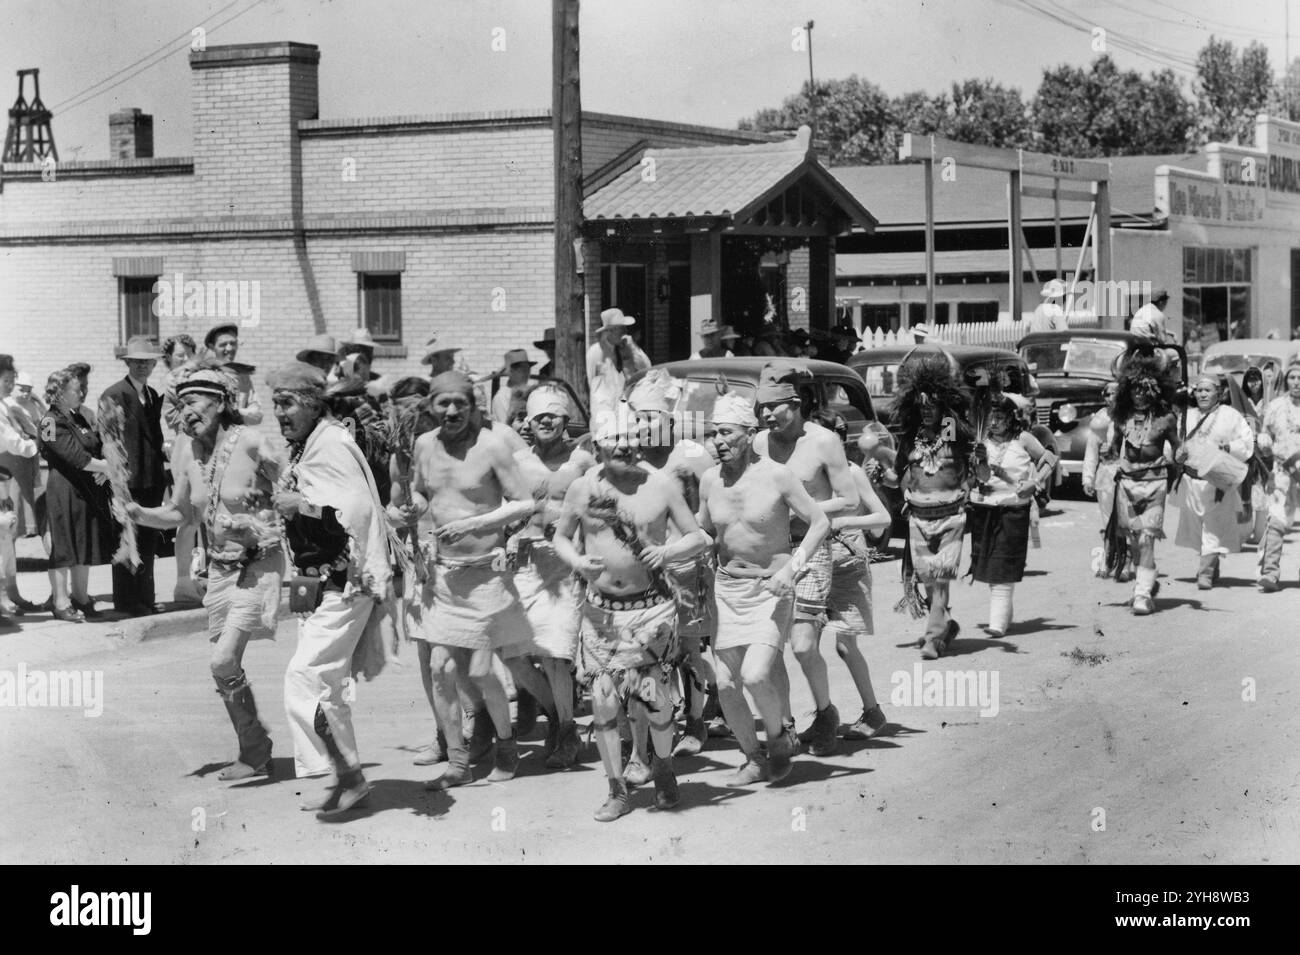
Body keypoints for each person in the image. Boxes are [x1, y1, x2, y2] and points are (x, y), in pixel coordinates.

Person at [127, 361, 286, 779]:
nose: (185, 411)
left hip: (258, 566)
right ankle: (255, 748)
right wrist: (138, 512)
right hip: (218, 572)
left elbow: (294, 491)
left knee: (221, 661)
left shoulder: (251, 441)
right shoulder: (190, 453)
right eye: (180, 404)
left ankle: (257, 747)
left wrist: (261, 519)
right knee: (225, 667)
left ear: (220, 402)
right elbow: (180, 514)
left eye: (193, 401)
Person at [552, 404, 709, 821]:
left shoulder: (661, 485)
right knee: (603, 703)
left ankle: (663, 769)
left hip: (650, 611)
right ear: (598, 445)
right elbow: (561, 537)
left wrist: (667, 550)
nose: (624, 446)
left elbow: (698, 537)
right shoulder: (582, 489)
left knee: (652, 698)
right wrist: (576, 562)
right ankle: (616, 789)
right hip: (600, 614)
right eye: (614, 440)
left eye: (630, 438)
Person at [394, 371, 535, 789]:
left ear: (473, 407)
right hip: (443, 576)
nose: (452, 411)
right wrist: (411, 509)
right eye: (443, 404)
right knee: (440, 667)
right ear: (431, 407)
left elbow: (524, 501)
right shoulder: (423, 445)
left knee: (479, 670)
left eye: (460, 403)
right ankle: (457, 762)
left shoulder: (492, 446)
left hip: (486, 577)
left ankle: (505, 744)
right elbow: (422, 492)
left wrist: (479, 521)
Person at [270, 361, 398, 817]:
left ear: (309, 404)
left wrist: (297, 504)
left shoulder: (330, 445)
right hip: (323, 583)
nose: (279, 414)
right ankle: (349, 780)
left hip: (348, 583)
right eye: (275, 405)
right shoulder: (312, 443)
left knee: (306, 677)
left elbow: (356, 511)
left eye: (286, 404)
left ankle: (349, 777)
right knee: (327, 683)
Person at [698, 391, 829, 784]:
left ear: (749, 433)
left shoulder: (777, 475)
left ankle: (778, 741)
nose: (718, 441)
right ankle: (753, 758)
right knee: (724, 683)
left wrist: (792, 569)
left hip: (770, 590)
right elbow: (706, 532)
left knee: (756, 675)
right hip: (727, 590)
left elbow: (820, 523)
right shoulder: (709, 480)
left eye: (725, 433)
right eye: (713, 434)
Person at [753, 362, 858, 757]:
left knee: (802, 644)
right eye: (760, 408)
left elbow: (849, 499)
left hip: (811, 549)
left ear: (795, 404)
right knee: (771, 645)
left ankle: (826, 712)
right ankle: (784, 725)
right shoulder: (760, 442)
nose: (764, 416)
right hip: (769, 554)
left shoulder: (825, 441)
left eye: (772, 409)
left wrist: (803, 507)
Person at [626, 370, 719, 761]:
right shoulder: (630, 455)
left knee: (689, 648)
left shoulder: (690, 454)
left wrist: (704, 542)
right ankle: (666, 719)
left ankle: (696, 721)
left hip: (686, 564)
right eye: (639, 417)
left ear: (670, 419)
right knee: (652, 650)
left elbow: (712, 501)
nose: (645, 425)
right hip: (644, 569)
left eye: (653, 417)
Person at [503, 386, 596, 769]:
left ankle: (568, 731)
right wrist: (509, 535)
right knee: (514, 655)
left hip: (565, 564)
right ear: (527, 420)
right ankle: (557, 714)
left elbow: (602, 507)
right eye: (539, 415)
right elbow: (504, 509)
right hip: (525, 564)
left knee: (557, 655)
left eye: (554, 414)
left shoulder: (582, 460)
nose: (546, 420)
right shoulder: (516, 462)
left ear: (565, 420)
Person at [882, 353, 974, 659]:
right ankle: (946, 626)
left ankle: (933, 637)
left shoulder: (951, 433)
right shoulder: (910, 439)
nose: (926, 411)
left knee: (940, 577)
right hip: (918, 521)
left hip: (950, 520)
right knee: (930, 581)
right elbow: (897, 478)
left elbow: (956, 444)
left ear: (943, 406)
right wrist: (881, 470)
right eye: (921, 406)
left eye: (932, 405)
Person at [814, 413, 891, 738]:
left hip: (847, 567)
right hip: (814, 568)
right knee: (805, 646)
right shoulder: (805, 474)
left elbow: (882, 518)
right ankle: (822, 716)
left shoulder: (853, 472)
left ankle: (873, 712)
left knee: (845, 647)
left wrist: (846, 522)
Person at [39, 368, 119, 623]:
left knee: (84, 542)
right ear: (60, 393)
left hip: (86, 487)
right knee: (64, 544)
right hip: (63, 488)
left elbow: (96, 448)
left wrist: (104, 471)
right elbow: (75, 456)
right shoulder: (50, 421)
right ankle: (61, 602)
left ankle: (81, 598)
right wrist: (107, 468)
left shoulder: (80, 419)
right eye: (77, 389)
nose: (83, 392)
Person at [967, 396, 1050, 636]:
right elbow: (978, 475)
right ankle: (1004, 613)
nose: (994, 422)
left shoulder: (1023, 439)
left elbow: (1049, 458)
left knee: (1003, 562)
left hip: (1014, 509)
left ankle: (997, 622)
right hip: (984, 509)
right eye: (990, 418)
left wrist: (1034, 482)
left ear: (1010, 418)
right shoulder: (980, 440)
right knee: (992, 564)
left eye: (999, 417)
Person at [1106, 352, 1180, 614]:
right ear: (1127, 390)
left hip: (1155, 483)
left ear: (1154, 389)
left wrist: (1183, 461)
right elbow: (1114, 447)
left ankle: (1142, 593)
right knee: (1135, 541)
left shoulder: (1166, 419)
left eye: (1144, 388)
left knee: (1147, 539)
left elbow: (1179, 449)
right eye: (1134, 388)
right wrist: (1109, 451)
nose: (1139, 394)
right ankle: (1144, 581)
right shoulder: (1121, 417)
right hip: (1127, 485)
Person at [100, 336, 167, 616]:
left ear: (154, 364)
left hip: (152, 479)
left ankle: (145, 598)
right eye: (137, 362)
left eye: (147, 362)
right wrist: (118, 481)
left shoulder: (151, 394)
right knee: (127, 537)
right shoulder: (114, 393)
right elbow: (109, 438)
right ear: (127, 363)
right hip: (127, 481)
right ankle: (127, 601)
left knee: (149, 540)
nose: (143, 366)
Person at [1173, 373, 1253, 590]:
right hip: (1191, 482)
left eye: (1207, 390)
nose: (1202, 394)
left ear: (1220, 392)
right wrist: (1176, 454)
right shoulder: (1186, 416)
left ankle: (1205, 572)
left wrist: (1228, 448)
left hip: (1217, 482)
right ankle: (1211, 564)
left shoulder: (1231, 415)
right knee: (1197, 529)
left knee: (1214, 526)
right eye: (1199, 390)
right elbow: (1173, 445)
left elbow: (1246, 442)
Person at [0, 356, 43, 612]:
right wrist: (36, 446)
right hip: (6, 471)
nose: (12, 386)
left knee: (9, 535)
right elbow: (14, 442)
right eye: (7, 381)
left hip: (15, 474)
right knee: (3, 535)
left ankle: (12, 592)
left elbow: (39, 427)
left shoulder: (11, 406)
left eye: (12, 381)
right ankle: (4, 594)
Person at [1256, 360, 1300, 592]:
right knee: (1276, 520)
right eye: (1293, 378)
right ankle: (1270, 573)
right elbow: (1265, 434)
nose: (1297, 383)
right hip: (1282, 472)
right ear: (1286, 380)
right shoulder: (1275, 406)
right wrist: (1264, 441)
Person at [1083, 381, 1126, 579]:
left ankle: (1126, 564)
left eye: (1115, 394)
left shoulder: (1132, 416)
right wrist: (1088, 479)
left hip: (1127, 473)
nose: (1111, 398)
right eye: (1107, 395)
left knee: (1125, 518)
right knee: (1108, 518)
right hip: (1106, 473)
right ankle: (1109, 561)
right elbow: (1091, 451)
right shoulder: (1100, 420)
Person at [586, 308, 650, 416]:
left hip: (625, 408)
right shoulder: (596, 351)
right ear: (610, 331)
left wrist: (633, 348)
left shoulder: (625, 347)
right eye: (621, 328)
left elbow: (647, 367)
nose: (625, 331)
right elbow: (592, 382)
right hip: (605, 411)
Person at [204, 324, 263, 425]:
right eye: (223, 345)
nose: (229, 348)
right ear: (212, 347)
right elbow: (208, 414)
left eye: (233, 343)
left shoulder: (243, 376)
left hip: (239, 437)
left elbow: (257, 414)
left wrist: (236, 412)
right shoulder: (205, 376)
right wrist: (244, 413)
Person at [491, 349, 538, 425]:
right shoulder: (502, 396)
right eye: (521, 370)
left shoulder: (531, 392)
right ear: (511, 372)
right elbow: (505, 426)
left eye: (527, 370)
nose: (526, 374)